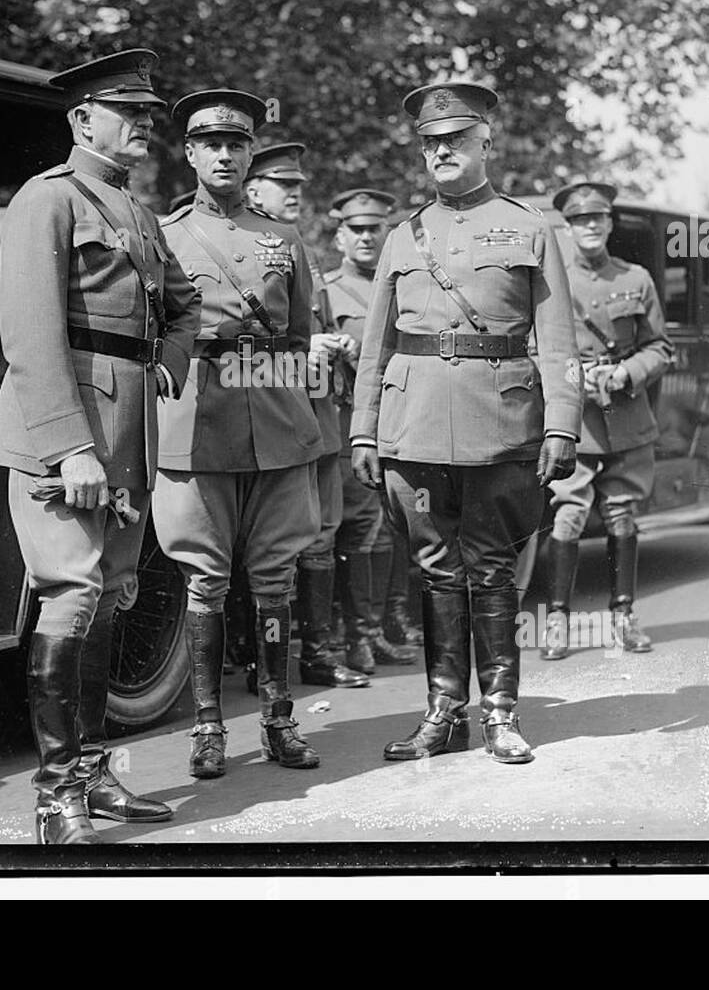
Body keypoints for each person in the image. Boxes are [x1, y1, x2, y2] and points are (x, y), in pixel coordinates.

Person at [0, 50, 202, 845]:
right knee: (72, 590)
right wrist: (70, 447)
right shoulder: (46, 200)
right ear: (83, 120)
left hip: (128, 431)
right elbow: (31, 334)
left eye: (149, 114)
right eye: (130, 112)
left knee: (112, 591)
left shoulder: (138, 213)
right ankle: (54, 795)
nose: (146, 125)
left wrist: (167, 369)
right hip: (68, 432)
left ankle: (92, 771)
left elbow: (186, 307)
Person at [351, 81, 582, 764]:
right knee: (433, 569)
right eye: (431, 143)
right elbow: (376, 344)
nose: (442, 152)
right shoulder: (402, 236)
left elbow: (560, 340)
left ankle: (501, 713)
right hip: (413, 423)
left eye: (456, 140)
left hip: (499, 424)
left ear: (487, 142)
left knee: (490, 568)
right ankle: (443, 711)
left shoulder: (529, 227)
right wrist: (365, 430)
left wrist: (562, 422)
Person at [155, 92, 325, 778]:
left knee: (276, 576)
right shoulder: (164, 234)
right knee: (204, 579)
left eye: (237, 142)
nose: (224, 154)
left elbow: (303, 332)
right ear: (190, 154)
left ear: (251, 153)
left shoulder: (284, 239)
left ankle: (280, 718)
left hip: (278, 421)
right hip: (197, 419)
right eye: (209, 143)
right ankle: (207, 726)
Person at [247, 143, 380, 687]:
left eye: (298, 183)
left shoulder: (298, 252)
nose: (296, 192)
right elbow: (240, 348)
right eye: (283, 185)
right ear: (254, 191)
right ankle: (264, 663)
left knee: (324, 534)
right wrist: (306, 354)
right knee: (270, 546)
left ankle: (318, 656)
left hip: (318, 420)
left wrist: (330, 350)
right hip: (268, 421)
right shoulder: (247, 254)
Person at [542, 182, 674, 659]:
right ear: (568, 227)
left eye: (598, 219)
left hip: (627, 416)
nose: (590, 227)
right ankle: (557, 620)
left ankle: (625, 617)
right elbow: (539, 350)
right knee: (570, 515)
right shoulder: (553, 282)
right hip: (576, 423)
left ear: (610, 224)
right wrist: (580, 377)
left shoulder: (636, 279)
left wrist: (625, 372)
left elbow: (660, 346)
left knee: (622, 514)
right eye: (580, 221)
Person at [324, 188, 423, 675]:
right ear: (340, 236)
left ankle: (384, 626)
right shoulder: (327, 291)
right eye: (356, 230)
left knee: (396, 524)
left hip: (405, 422)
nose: (366, 238)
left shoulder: (408, 285)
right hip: (352, 423)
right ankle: (357, 636)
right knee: (360, 525)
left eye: (374, 229)